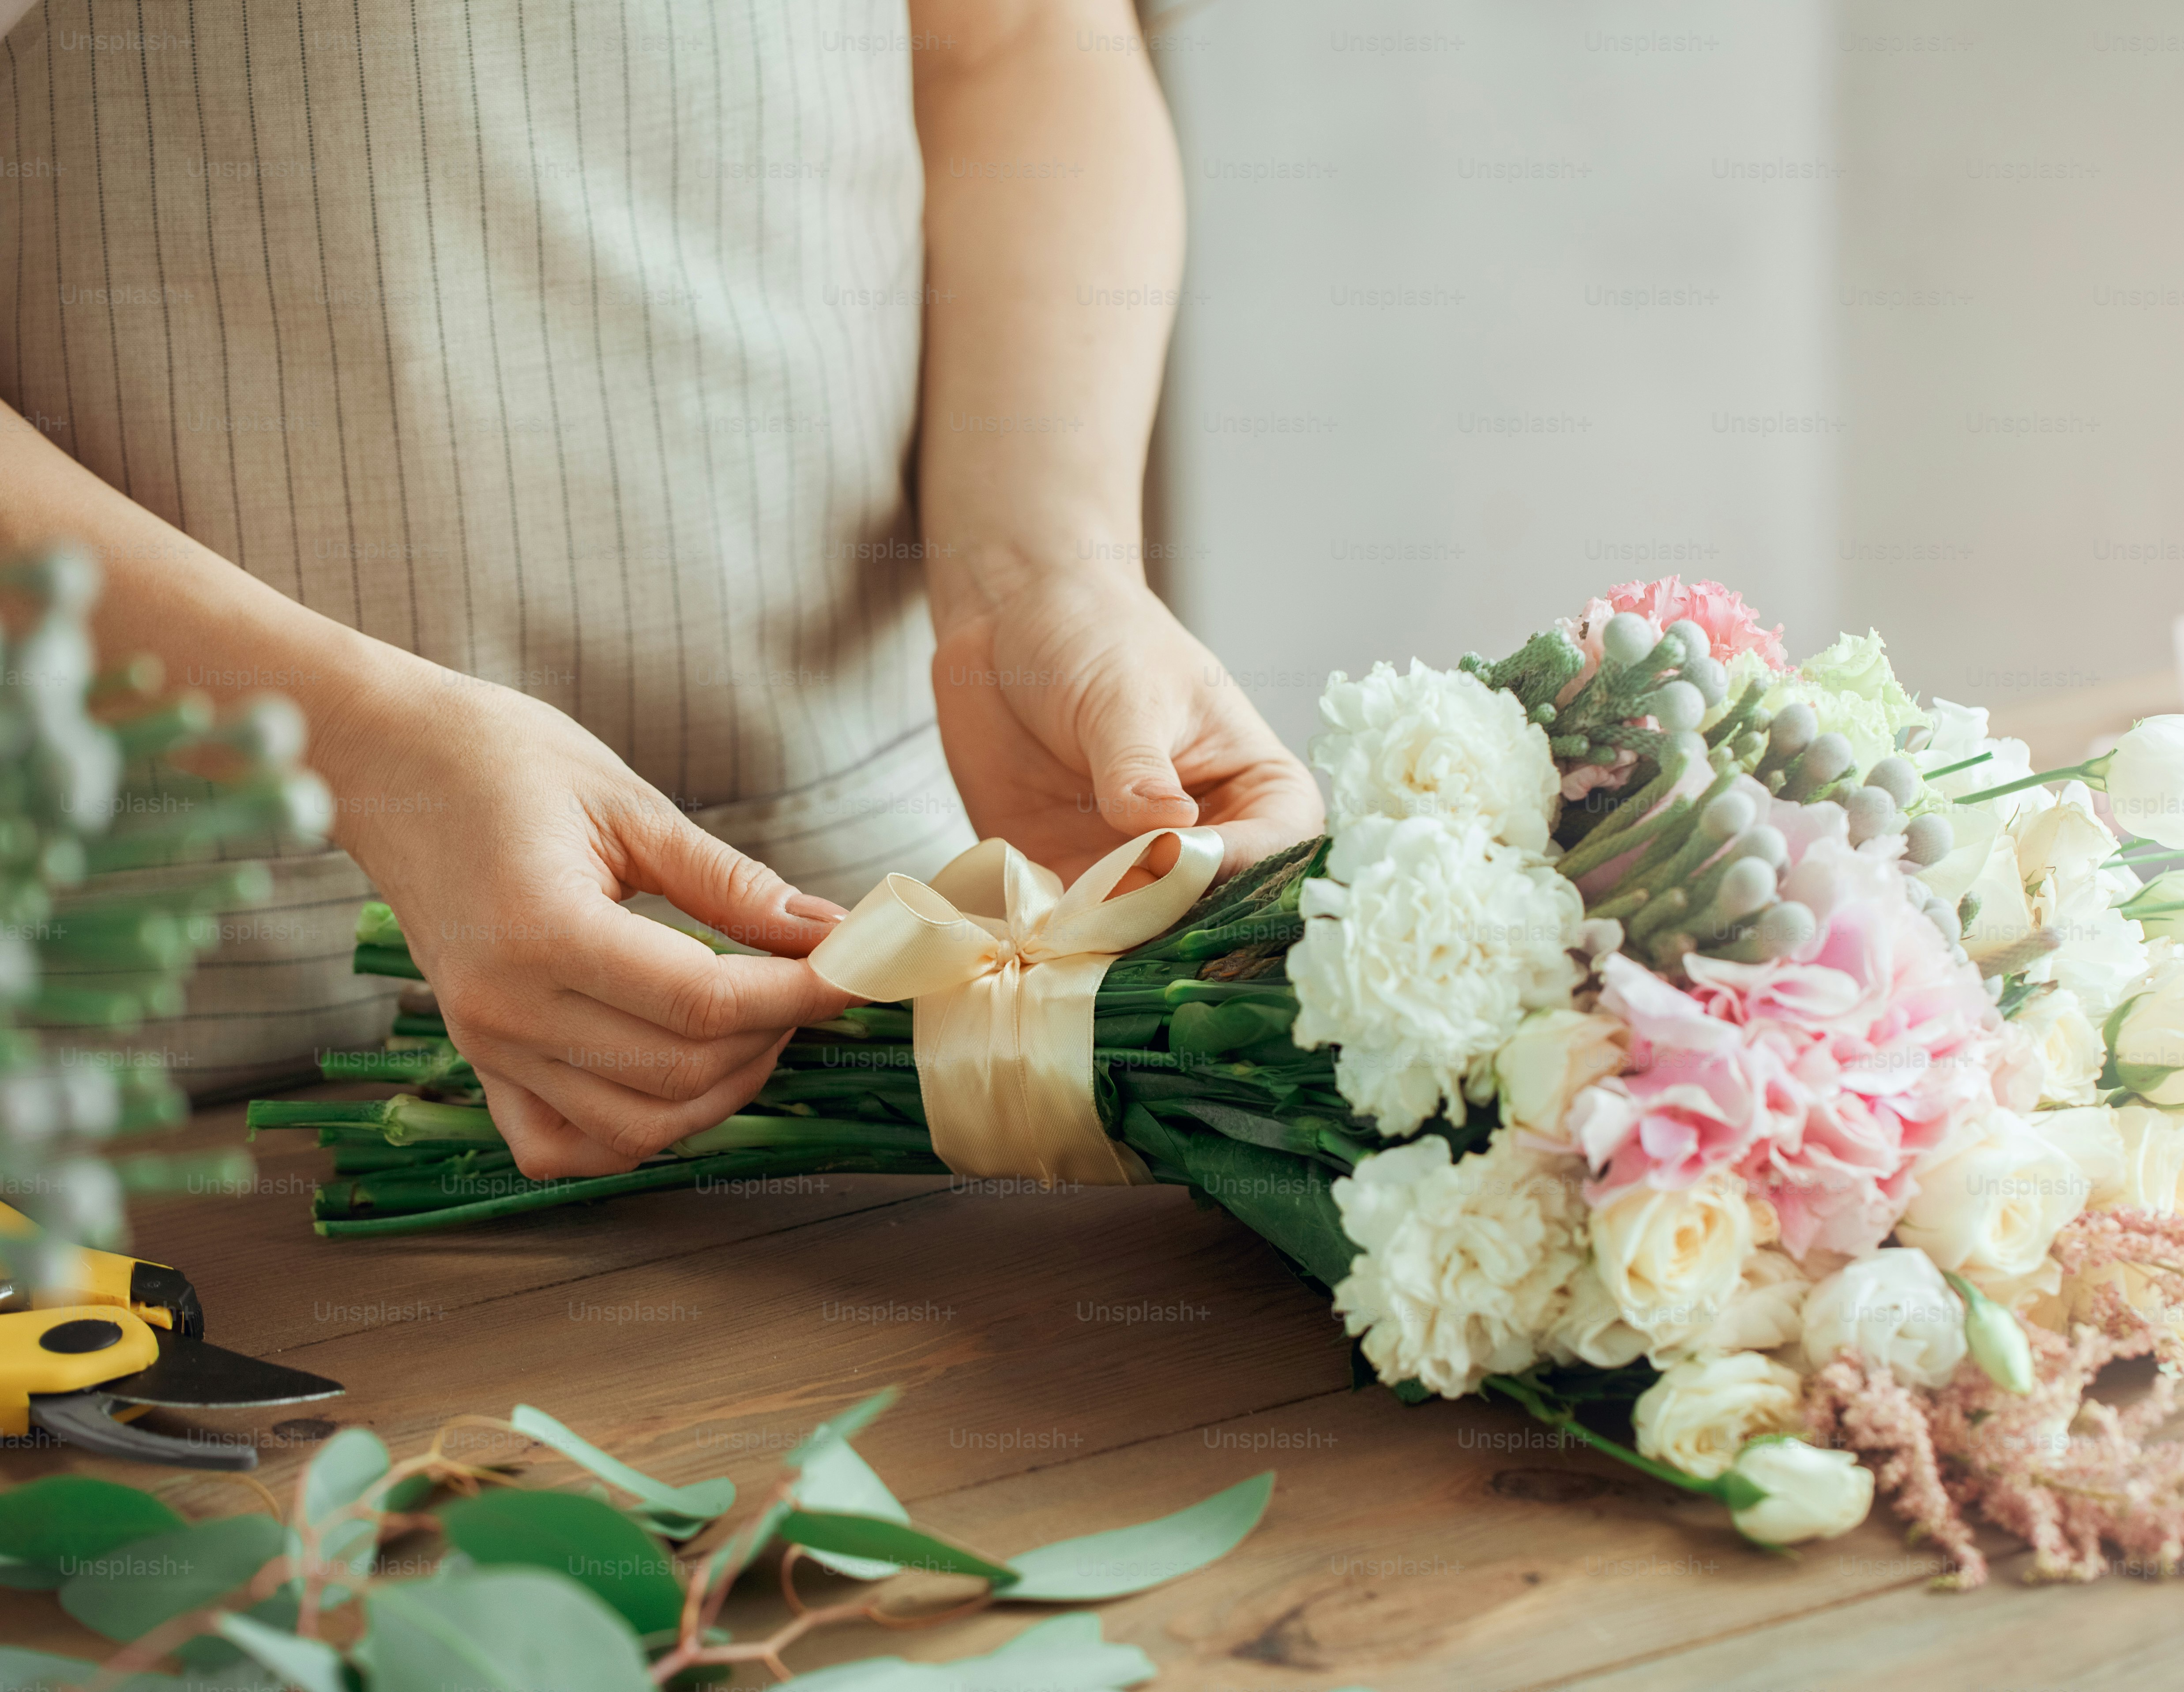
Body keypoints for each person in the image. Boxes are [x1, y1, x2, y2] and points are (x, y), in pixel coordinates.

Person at [0, 0, 1319, 1177]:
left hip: (885, 979)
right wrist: (345, 739)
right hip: (186, 1071)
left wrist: (1039, 569)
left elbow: (1017, 38)